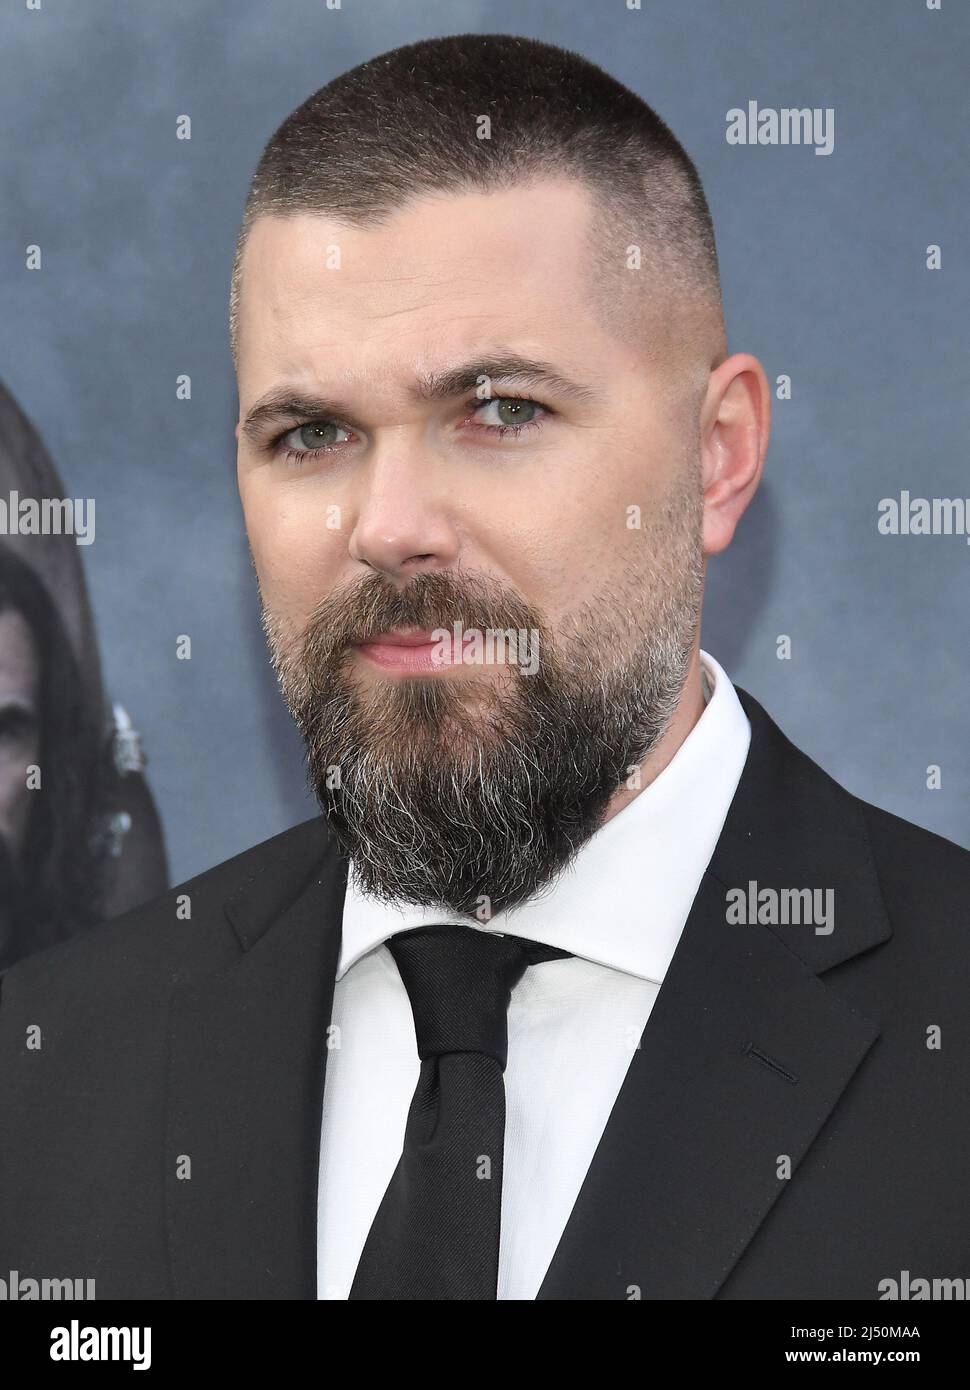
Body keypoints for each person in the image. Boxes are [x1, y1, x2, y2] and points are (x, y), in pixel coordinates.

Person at [0, 33, 967, 1301]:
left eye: (500, 410)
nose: (390, 524)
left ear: (716, 455)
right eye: (312, 432)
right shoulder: (47, 1074)